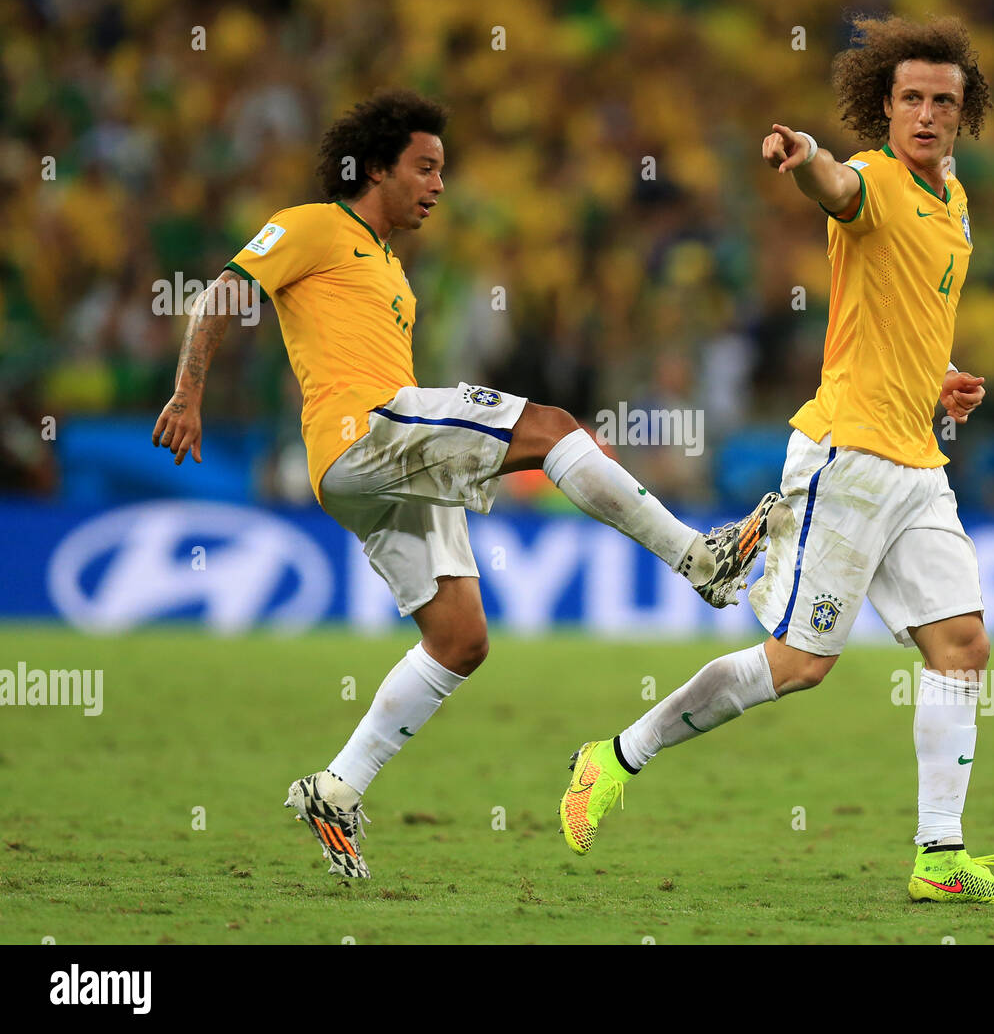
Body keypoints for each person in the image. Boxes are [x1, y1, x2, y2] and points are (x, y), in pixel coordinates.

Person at [152, 90, 777, 879]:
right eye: (425, 167)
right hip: (366, 429)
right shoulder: (313, 224)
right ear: (375, 168)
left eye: (442, 170)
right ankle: (700, 557)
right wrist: (188, 389)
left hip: (378, 470)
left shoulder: (390, 269)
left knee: (460, 639)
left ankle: (338, 786)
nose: (438, 185)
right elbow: (224, 292)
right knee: (552, 426)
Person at [558, 17, 994, 905]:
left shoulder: (954, 198)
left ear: (963, 112)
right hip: (846, 458)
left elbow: (899, 313)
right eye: (911, 100)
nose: (927, 115)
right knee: (798, 666)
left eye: (944, 100)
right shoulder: (874, 181)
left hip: (916, 461)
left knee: (963, 643)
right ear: (884, 107)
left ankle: (939, 857)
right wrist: (807, 151)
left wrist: (936, 378)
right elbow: (836, 187)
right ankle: (617, 754)